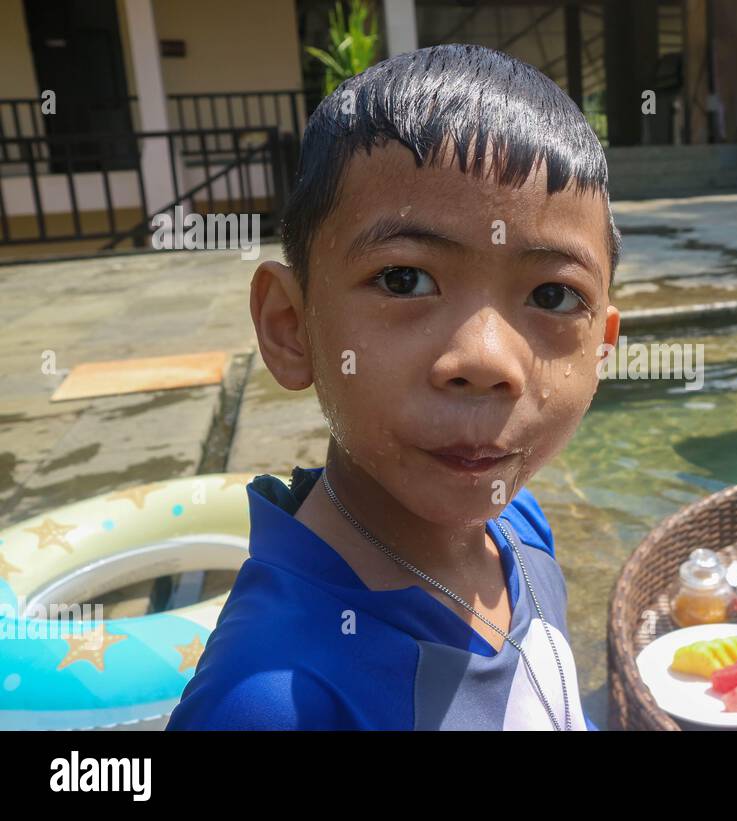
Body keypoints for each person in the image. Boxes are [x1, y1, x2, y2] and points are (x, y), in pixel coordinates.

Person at [166, 44, 621, 730]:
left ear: (603, 349)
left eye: (554, 294)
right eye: (404, 278)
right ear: (292, 327)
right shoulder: (268, 701)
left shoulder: (518, 528)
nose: (487, 358)